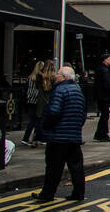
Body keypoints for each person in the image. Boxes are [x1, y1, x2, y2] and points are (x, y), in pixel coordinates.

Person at [32, 65, 87, 203]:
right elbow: (82, 115)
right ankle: (78, 193)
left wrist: (46, 126)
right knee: (76, 167)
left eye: (57, 74)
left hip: (59, 136)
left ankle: (47, 194)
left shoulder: (59, 90)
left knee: (53, 167)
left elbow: (54, 112)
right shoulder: (78, 91)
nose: (55, 76)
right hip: (74, 136)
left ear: (63, 77)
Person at [22, 59, 53, 147]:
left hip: (30, 101)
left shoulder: (30, 78)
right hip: (36, 102)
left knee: (34, 121)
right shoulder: (39, 79)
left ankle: (31, 138)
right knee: (37, 120)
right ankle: (35, 138)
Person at [94, 52, 110, 140]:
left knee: (104, 115)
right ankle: (102, 134)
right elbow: (107, 84)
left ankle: (100, 133)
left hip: (101, 95)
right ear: (105, 60)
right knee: (105, 116)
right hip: (104, 96)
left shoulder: (101, 69)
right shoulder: (104, 70)